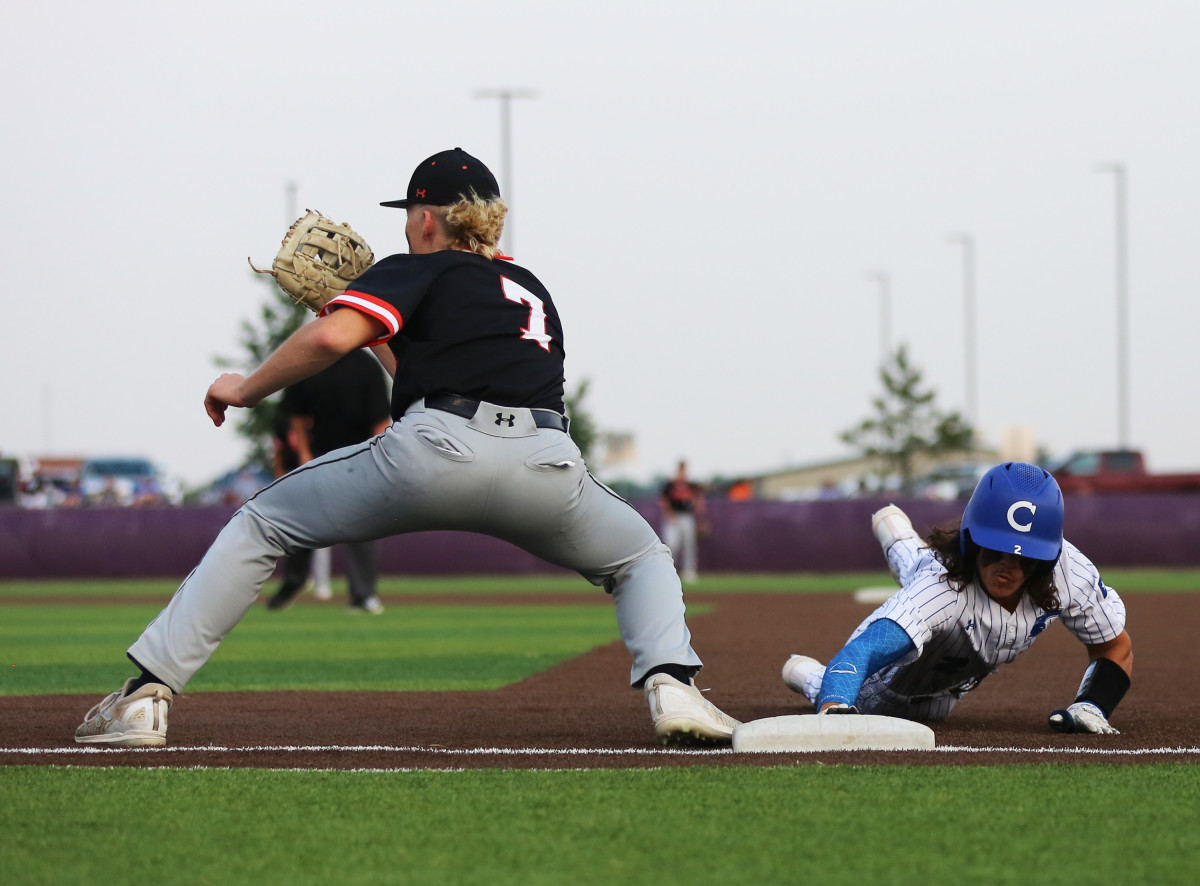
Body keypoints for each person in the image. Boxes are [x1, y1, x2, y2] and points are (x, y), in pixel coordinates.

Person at [73, 147, 738, 749]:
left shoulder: (416, 271)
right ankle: (672, 684)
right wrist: (362, 313)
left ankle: (143, 699)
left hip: (435, 453)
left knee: (263, 522)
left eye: (411, 213)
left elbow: (336, 344)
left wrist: (248, 387)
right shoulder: (532, 291)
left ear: (428, 219)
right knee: (643, 556)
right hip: (546, 464)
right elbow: (425, 377)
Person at [782, 461, 1133, 734]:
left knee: (918, 563)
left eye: (1025, 555)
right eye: (995, 548)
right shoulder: (941, 590)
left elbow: (1115, 646)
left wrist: (1093, 704)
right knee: (923, 578)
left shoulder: (1070, 572)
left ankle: (898, 534)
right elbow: (863, 650)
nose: (1007, 565)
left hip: (946, 632)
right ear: (971, 540)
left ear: (1048, 556)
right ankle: (807, 673)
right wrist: (833, 703)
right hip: (900, 690)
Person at [266, 351, 392, 613]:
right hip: (317, 456)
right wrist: (303, 454)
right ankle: (294, 582)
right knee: (303, 526)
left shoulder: (366, 365)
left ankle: (363, 594)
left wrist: (376, 458)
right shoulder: (309, 360)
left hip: (359, 455)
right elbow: (295, 415)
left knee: (362, 527)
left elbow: (380, 419)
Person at [658, 460, 709, 583]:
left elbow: (699, 501)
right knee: (671, 545)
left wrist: (701, 518)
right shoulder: (670, 485)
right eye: (681, 469)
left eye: (684, 470)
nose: (683, 472)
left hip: (687, 517)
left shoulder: (691, 485)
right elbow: (663, 501)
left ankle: (689, 572)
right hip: (673, 518)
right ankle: (669, 571)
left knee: (689, 545)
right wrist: (669, 515)